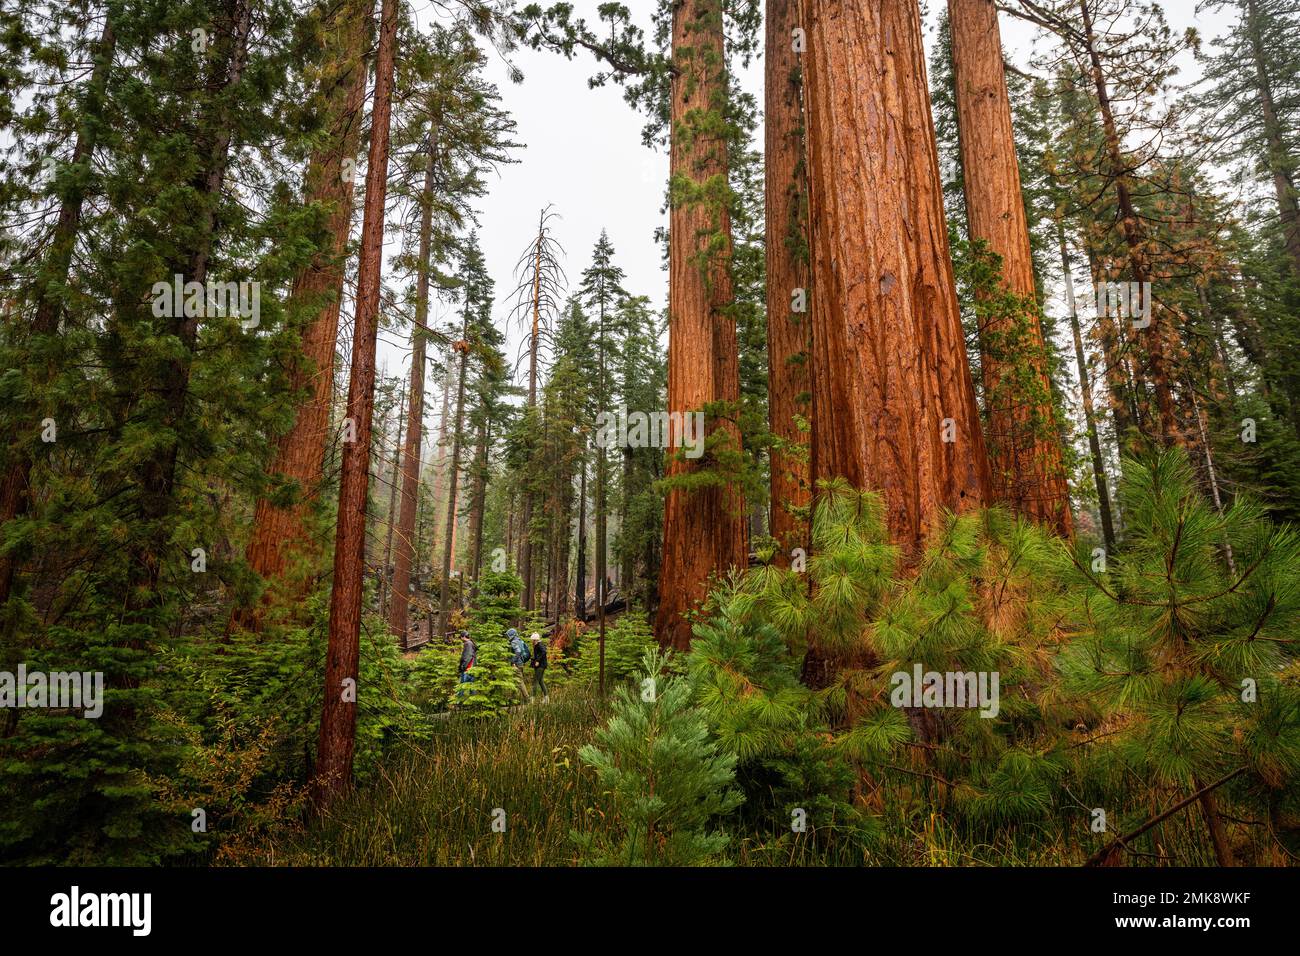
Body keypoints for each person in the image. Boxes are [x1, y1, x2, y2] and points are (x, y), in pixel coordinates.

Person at [507, 627, 531, 699]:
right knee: (515, 681)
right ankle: (513, 698)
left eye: (508, 635)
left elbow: (518, 652)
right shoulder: (520, 640)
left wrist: (513, 662)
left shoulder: (514, 642)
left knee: (520, 681)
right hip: (520, 663)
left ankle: (527, 698)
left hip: (517, 664)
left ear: (512, 635)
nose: (507, 637)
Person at [456, 631, 476, 701]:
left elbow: (467, 657)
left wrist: (463, 667)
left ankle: (457, 703)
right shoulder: (471, 643)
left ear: (464, 637)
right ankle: (474, 703)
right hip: (472, 668)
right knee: (472, 687)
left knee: (462, 686)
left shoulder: (468, 644)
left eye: (461, 637)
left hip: (467, 669)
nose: (461, 639)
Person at [529, 633, 548, 703]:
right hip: (541, 665)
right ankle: (546, 698)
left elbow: (544, 652)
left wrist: (537, 660)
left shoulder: (539, 645)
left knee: (535, 681)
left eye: (533, 640)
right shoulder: (537, 645)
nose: (532, 641)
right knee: (540, 681)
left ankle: (532, 698)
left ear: (536, 640)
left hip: (541, 666)